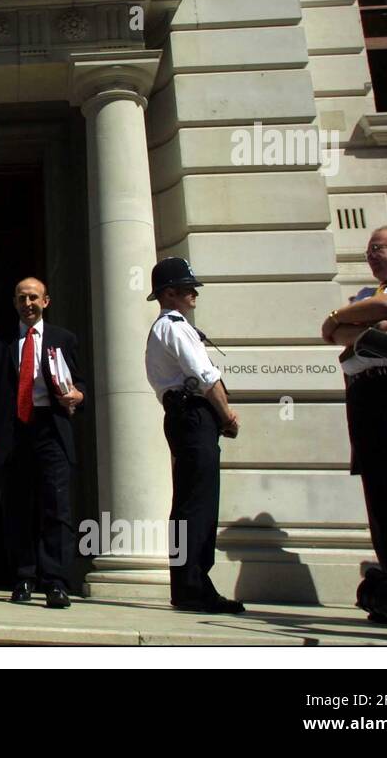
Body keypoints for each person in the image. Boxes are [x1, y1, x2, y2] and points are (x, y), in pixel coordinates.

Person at [321, 226, 387, 644]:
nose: (369, 255)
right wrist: (354, 320)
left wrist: (359, 319)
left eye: (377, 248)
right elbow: (337, 335)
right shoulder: (369, 294)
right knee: (385, 510)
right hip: (371, 413)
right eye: (367, 249)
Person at [0, 277, 87, 609]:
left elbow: (81, 382)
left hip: (50, 429)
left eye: (34, 298)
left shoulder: (63, 339)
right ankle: (23, 577)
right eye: (22, 298)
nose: (28, 303)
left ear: (46, 301)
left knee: (56, 507)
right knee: (16, 508)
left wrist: (77, 395)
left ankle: (56, 582)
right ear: (14, 303)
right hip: (12, 432)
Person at [144, 257, 244, 614]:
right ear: (170, 293)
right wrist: (226, 414)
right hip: (193, 414)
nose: (194, 294)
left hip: (184, 414)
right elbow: (204, 374)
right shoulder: (175, 326)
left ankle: (191, 583)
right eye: (188, 288)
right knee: (196, 504)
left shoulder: (168, 327)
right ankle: (193, 585)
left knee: (192, 502)